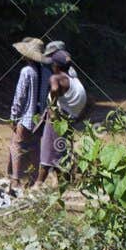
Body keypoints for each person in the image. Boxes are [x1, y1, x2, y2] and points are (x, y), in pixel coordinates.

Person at [7, 37, 49, 187]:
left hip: (26, 117)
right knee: (35, 148)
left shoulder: (26, 71)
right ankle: (32, 180)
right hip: (39, 118)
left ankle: (15, 179)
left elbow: (20, 96)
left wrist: (13, 117)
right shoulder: (46, 72)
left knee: (17, 146)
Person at [44, 47, 88, 178]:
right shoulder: (74, 79)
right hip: (72, 116)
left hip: (60, 116)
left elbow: (54, 88)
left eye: (52, 64)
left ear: (56, 66)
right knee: (62, 146)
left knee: (49, 146)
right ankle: (66, 176)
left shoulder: (56, 77)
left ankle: (40, 181)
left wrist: (52, 104)